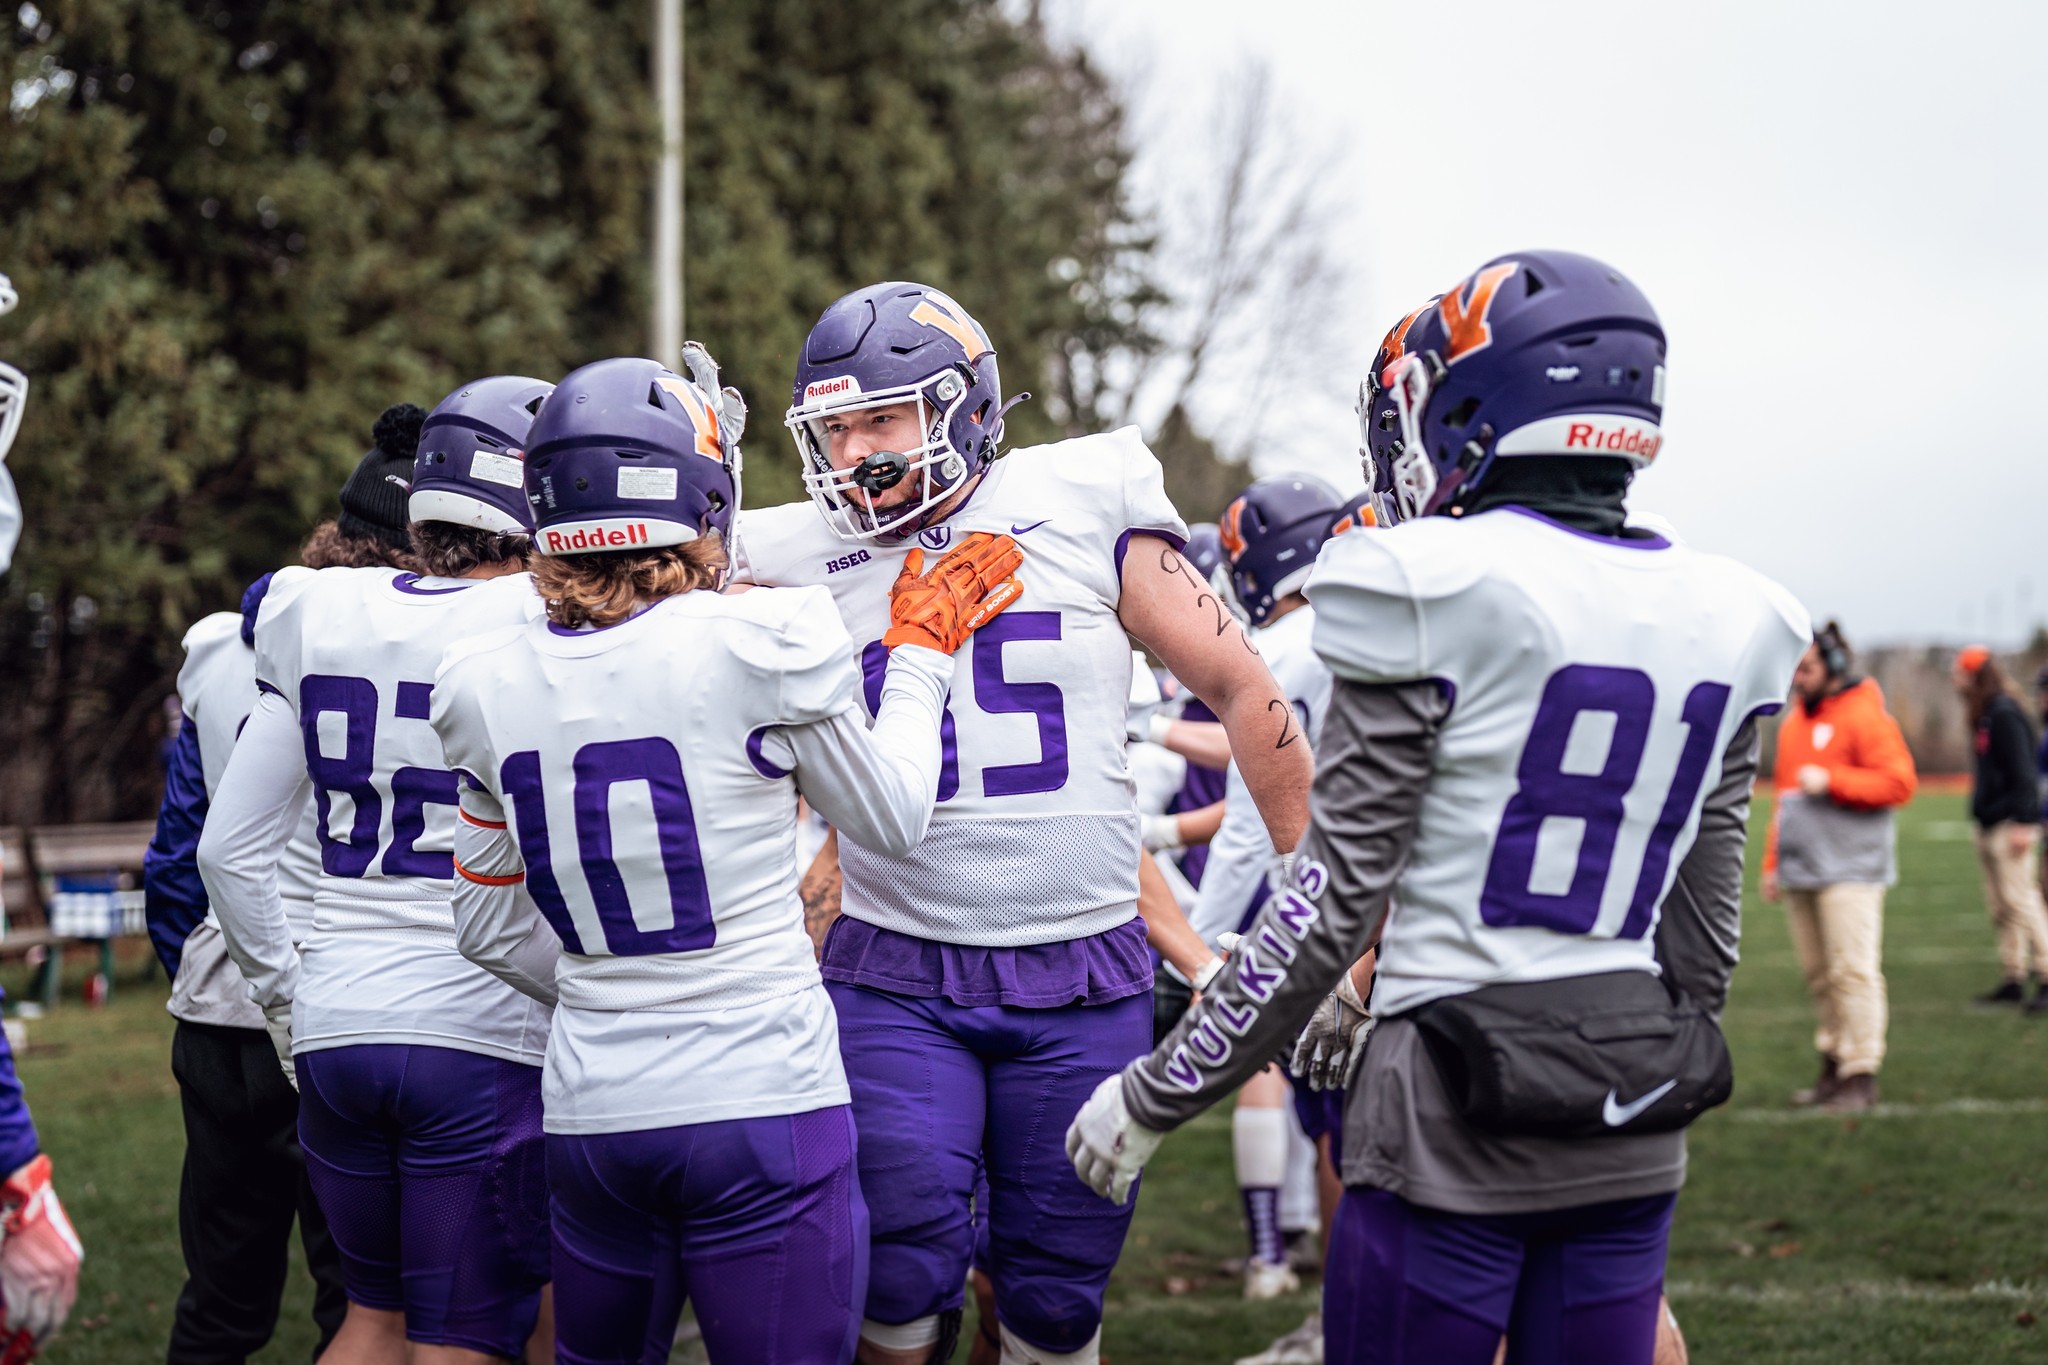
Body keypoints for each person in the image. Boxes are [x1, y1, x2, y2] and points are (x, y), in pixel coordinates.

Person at [1068, 250, 1809, 1365]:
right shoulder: (1739, 609)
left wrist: (1155, 1093)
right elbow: (1702, 941)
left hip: (1445, 1112)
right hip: (1633, 1109)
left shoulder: (1419, 580)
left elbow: (1327, 899)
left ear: (1470, 403)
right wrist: (1645, 1063)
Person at [736, 281, 1312, 1365]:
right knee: (896, 1275)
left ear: (958, 407)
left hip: (1081, 971)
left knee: (1054, 1297)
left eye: (878, 418)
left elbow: (1242, 686)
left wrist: (1322, 896)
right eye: (832, 426)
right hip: (895, 966)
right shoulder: (788, 548)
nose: (849, 450)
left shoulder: (1085, 500)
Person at [428, 349, 1026, 1363]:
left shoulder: (479, 678)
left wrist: (612, 985)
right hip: (762, 1100)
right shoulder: (759, 639)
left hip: (595, 1109)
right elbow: (890, 818)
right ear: (694, 494)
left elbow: (486, 926)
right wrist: (920, 651)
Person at [200, 378, 558, 1365]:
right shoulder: (540, 623)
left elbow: (228, 853)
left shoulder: (315, 608)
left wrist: (287, 1000)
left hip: (337, 1021)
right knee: (466, 1335)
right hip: (478, 1024)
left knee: (371, 1317)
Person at [143, 449, 423, 1362]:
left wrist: (193, 963)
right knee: (363, 1304)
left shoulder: (224, 641)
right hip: (341, 997)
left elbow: (184, 850)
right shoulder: (433, 648)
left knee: (220, 1302)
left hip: (220, 996)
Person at [1757, 621, 1917, 1111]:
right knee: (1820, 975)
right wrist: (1771, 862)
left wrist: (1832, 779)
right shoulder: (1794, 723)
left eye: (1805, 668)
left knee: (1853, 972)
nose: (1797, 678)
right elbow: (1784, 802)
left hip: (1850, 869)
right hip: (1804, 869)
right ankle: (1832, 1065)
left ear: (1835, 666)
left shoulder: (1866, 717)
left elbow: (1899, 783)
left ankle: (1860, 1073)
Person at [1954, 645, 2048, 1009]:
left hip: (2010, 823)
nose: (1955, 681)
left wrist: (2024, 821)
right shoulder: (1988, 714)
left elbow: (2025, 774)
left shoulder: (2005, 714)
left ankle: (2044, 972)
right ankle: (2013, 976)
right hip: (1991, 821)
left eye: (1960, 674)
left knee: (2023, 902)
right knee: (2003, 907)